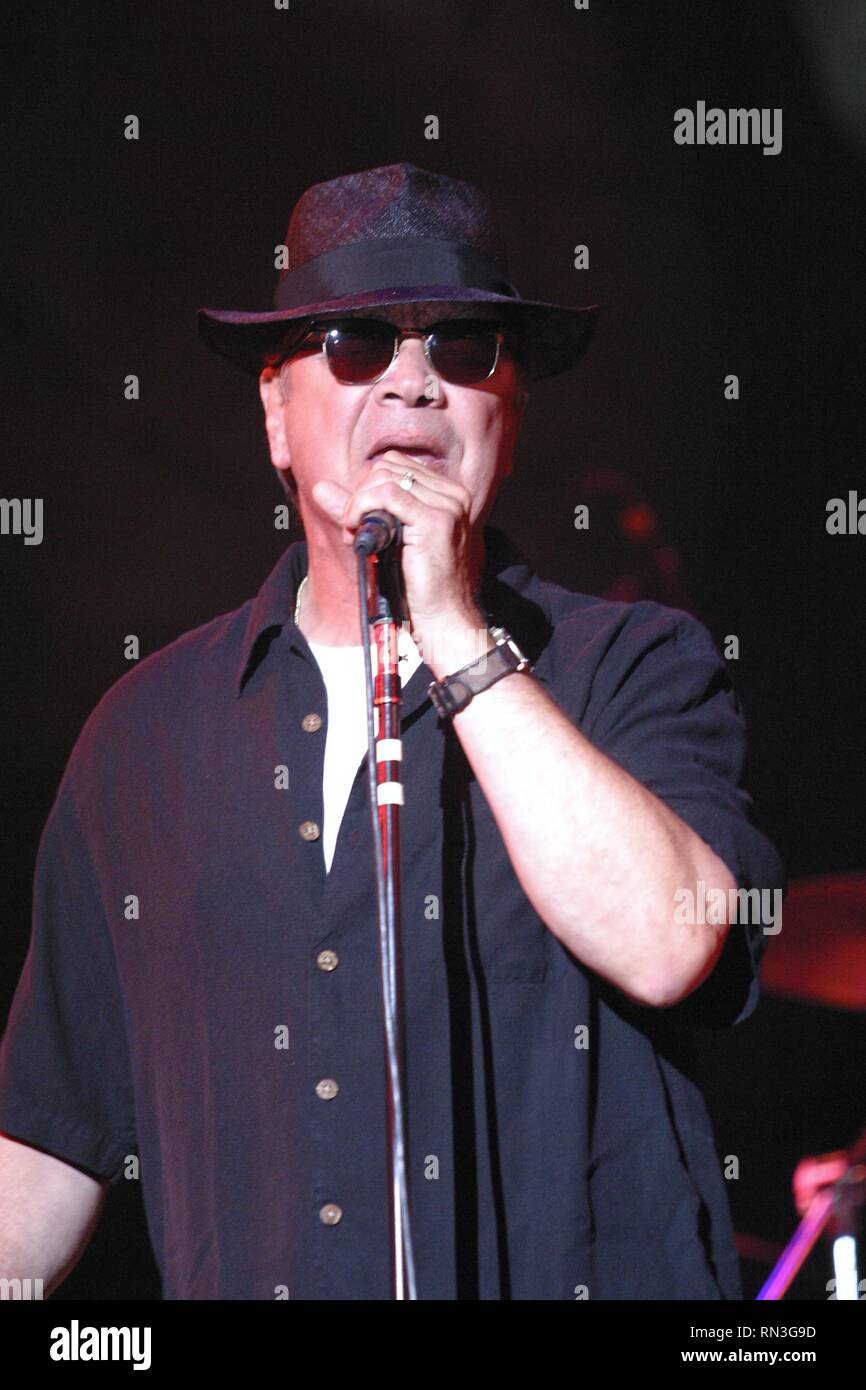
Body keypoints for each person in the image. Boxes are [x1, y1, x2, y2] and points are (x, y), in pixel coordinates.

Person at [0, 163, 784, 1300]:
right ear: (276, 409)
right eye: (358, 341)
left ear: (506, 417)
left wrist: (459, 637)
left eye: (464, 349)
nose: (414, 384)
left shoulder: (630, 666)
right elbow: (44, 1147)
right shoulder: (143, 738)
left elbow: (671, 944)